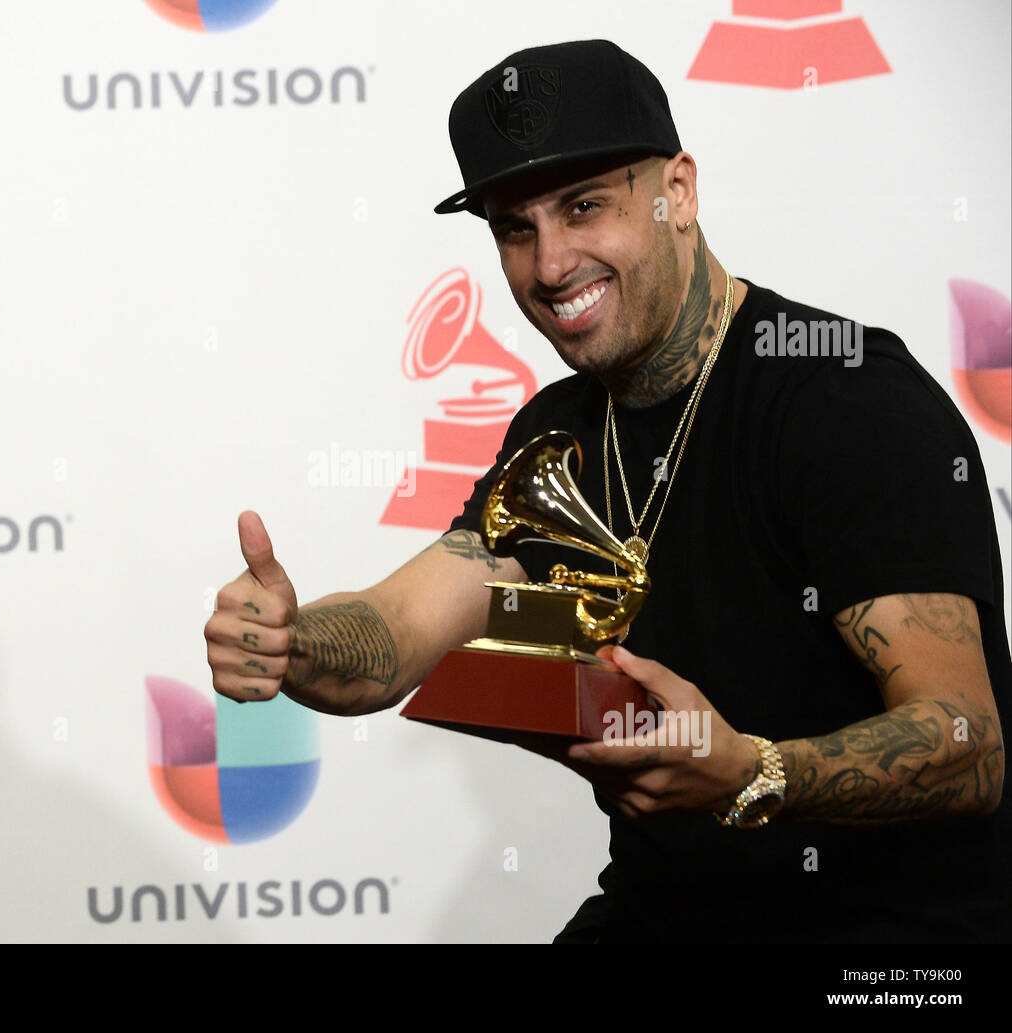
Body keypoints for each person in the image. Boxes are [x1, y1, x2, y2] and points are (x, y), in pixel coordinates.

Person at [204, 40, 1011, 943]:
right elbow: (397, 634)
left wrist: (751, 770)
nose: (551, 265)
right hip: (666, 919)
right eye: (516, 227)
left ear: (680, 192)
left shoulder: (843, 397)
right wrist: (289, 641)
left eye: (583, 207)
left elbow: (968, 743)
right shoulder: (557, 433)